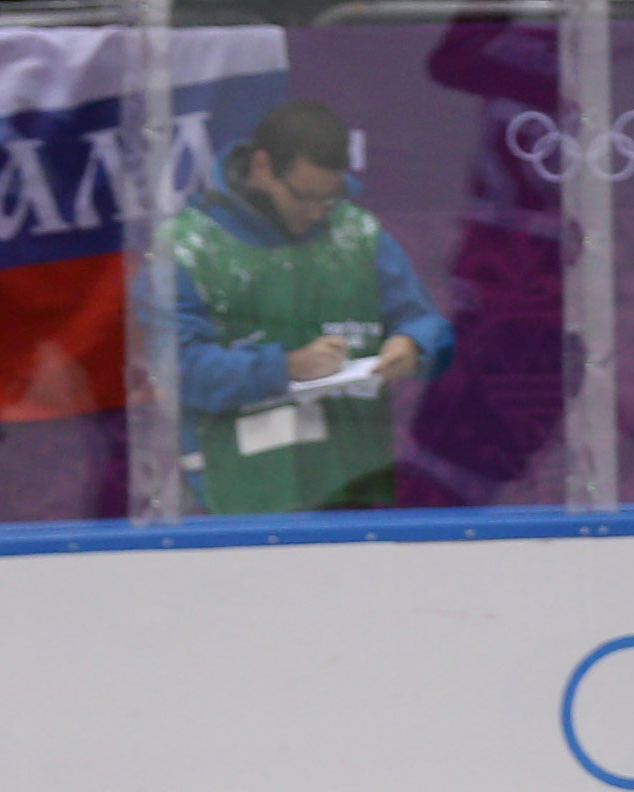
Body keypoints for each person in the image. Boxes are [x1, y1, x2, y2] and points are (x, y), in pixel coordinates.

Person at [158, 100, 451, 517]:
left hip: (352, 485)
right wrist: (286, 367)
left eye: (329, 199)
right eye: (304, 197)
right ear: (262, 168)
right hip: (230, 497)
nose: (316, 213)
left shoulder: (358, 233)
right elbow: (174, 369)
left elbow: (427, 323)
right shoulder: (188, 248)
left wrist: (415, 344)